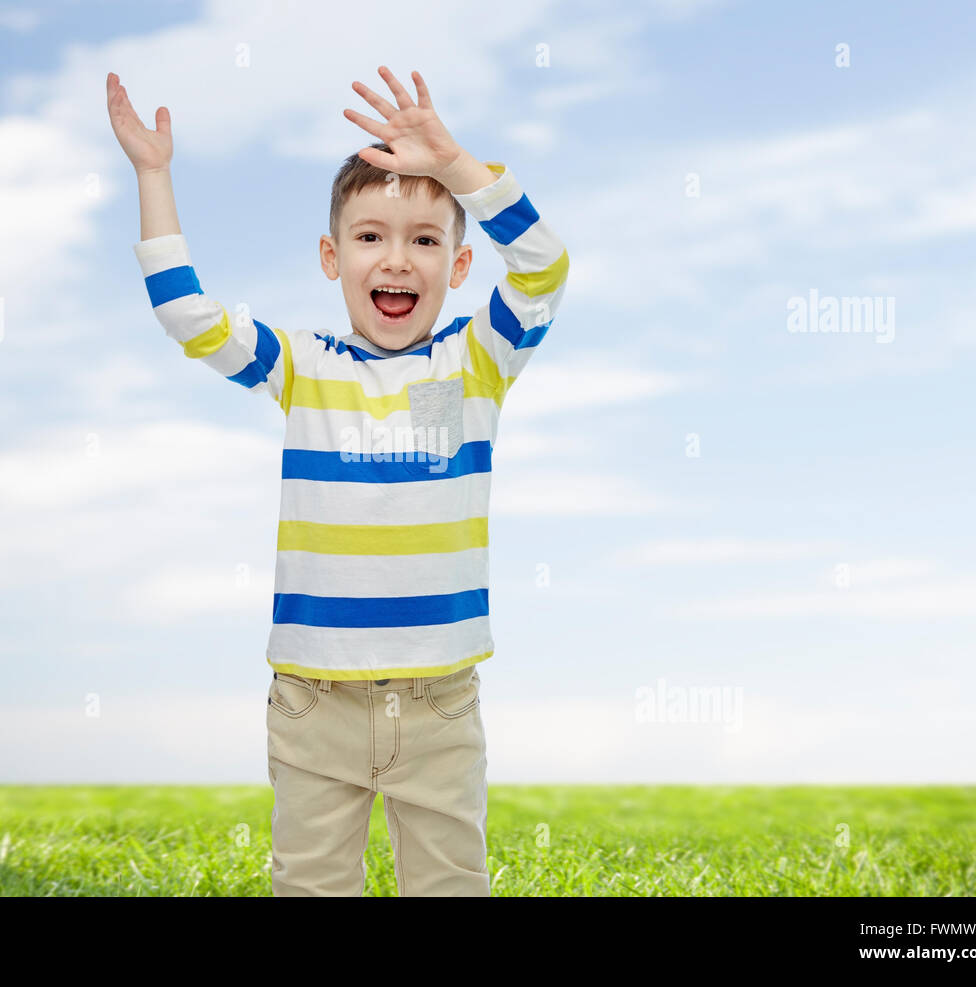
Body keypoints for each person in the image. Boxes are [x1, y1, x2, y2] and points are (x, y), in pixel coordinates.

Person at [107, 65, 569, 896]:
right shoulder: (300, 367)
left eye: (425, 239)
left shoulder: (478, 361)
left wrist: (456, 163)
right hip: (312, 703)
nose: (398, 259)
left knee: (452, 885)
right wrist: (153, 174)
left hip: (441, 700)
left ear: (459, 265)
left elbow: (543, 264)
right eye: (371, 236)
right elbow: (188, 315)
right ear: (333, 256)